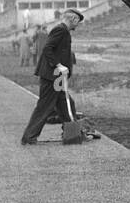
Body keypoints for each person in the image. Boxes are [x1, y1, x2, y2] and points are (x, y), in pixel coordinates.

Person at [20, 9, 83, 144]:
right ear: (74, 20)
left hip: (57, 78)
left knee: (66, 104)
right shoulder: (60, 30)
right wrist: (59, 65)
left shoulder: (64, 31)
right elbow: (47, 48)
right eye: (78, 22)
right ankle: (29, 137)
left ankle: (72, 135)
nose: (78, 25)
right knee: (44, 106)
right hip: (52, 76)